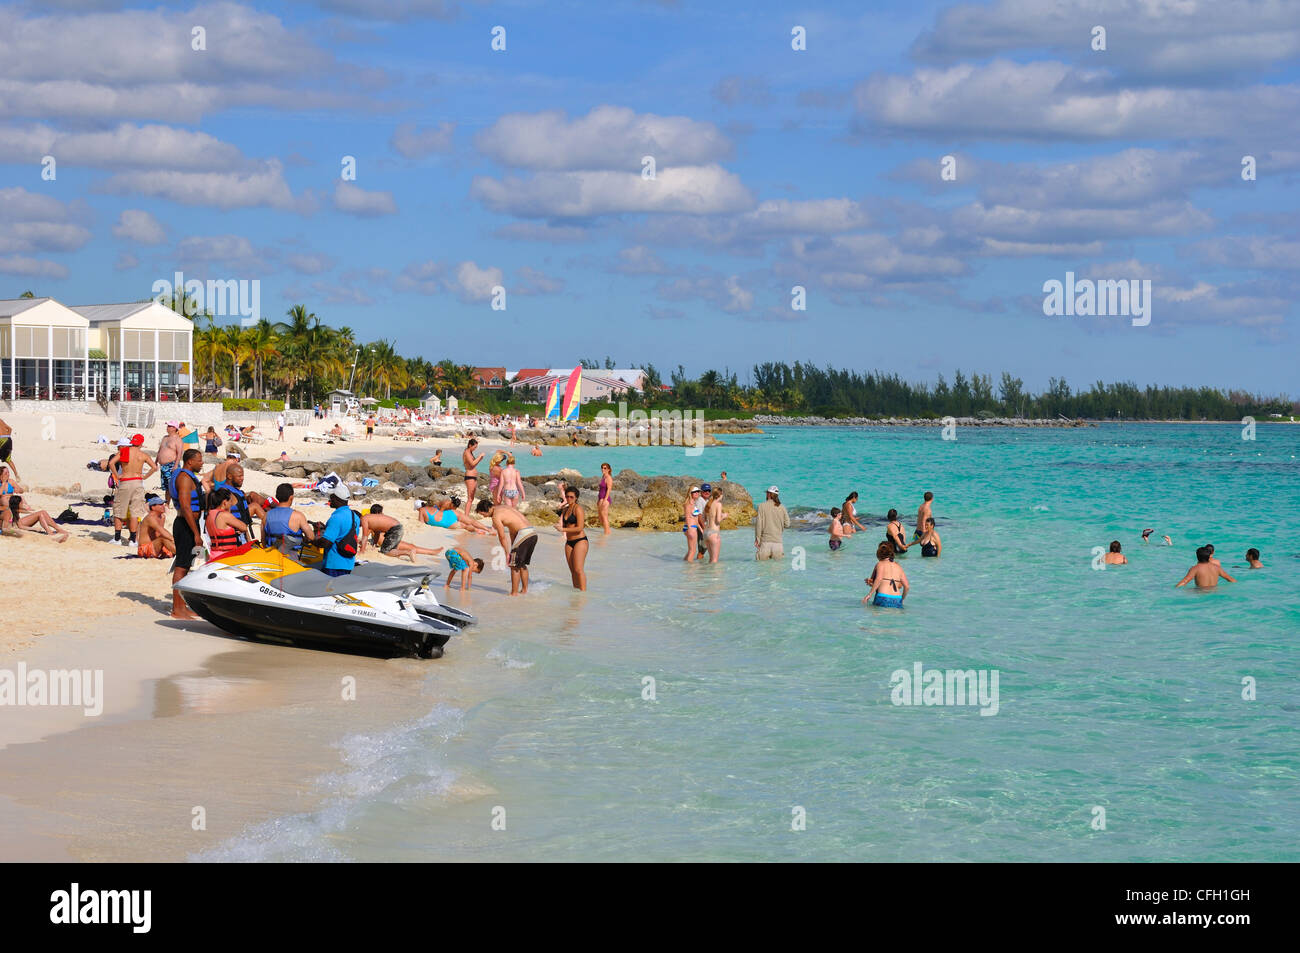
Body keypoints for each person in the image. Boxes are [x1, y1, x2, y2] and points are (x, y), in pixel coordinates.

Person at [169, 448, 205, 620]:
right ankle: (177, 609)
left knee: (187, 566)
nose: (202, 462)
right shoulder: (184, 478)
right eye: (199, 460)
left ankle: (182, 606)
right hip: (185, 525)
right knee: (181, 566)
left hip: (190, 524)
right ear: (190, 461)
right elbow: (185, 507)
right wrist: (196, 533)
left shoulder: (187, 476)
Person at [478, 499, 536, 596]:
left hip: (523, 534)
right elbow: (512, 528)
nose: (483, 516)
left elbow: (502, 536)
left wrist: (506, 553)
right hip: (532, 533)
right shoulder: (504, 507)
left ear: (487, 509)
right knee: (521, 565)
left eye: (482, 514)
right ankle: (524, 591)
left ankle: (514, 594)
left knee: (513, 565)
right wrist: (513, 547)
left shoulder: (496, 517)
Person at [108, 434, 157, 547]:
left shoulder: (124, 451)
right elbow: (154, 467)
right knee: (135, 512)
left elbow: (111, 463)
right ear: (141, 443)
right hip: (138, 482)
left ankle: (117, 538)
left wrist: (117, 475)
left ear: (132, 442)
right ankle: (133, 540)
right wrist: (145, 477)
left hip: (125, 481)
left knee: (119, 510)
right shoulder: (143, 455)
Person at [0, 466, 68, 541]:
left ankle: (57, 530)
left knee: (42, 512)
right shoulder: (2, 485)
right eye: (6, 473)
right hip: (10, 518)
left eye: (8, 472)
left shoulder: (11, 481)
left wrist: (18, 489)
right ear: (1, 475)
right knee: (37, 516)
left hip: (16, 516)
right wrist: (3, 483)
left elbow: (21, 490)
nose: (8, 474)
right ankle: (50, 534)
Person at [360, 504, 442, 562]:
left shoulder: (373, 520)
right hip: (387, 537)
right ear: (378, 513)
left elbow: (372, 535)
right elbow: (366, 536)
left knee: (410, 546)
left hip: (389, 536)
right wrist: (365, 548)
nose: (383, 514)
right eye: (381, 512)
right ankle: (431, 552)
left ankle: (431, 552)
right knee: (410, 547)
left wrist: (370, 545)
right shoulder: (374, 521)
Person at [319, 486, 361, 577]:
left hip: (333, 565)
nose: (330, 499)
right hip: (348, 564)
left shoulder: (336, 517)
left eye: (331, 496)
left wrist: (312, 541)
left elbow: (326, 542)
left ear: (336, 498)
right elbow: (345, 533)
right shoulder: (355, 516)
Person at [262, 483, 315, 554]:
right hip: (291, 557)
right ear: (291, 497)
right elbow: (311, 537)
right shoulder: (298, 516)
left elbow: (263, 540)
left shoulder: (266, 515)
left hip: (271, 555)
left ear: (276, 497)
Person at [556, 486, 589, 590]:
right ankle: (576, 594)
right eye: (567, 497)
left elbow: (580, 527)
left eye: (571, 497)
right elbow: (563, 524)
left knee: (578, 570)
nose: (569, 499)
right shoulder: (565, 509)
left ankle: (583, 594)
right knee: (572, 571)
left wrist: (563, 530)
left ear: (576, 498)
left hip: (580, 541)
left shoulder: (578, 509)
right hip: (569, 542)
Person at [205, 487, 248, 559]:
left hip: (214, 554)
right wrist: (229, 510)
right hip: (226, 555)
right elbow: (244, 527)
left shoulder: (209, 514)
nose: (231, 504)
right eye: (230, 501)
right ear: (225, 502)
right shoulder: (224, 515)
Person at [864, 540, 909, 607]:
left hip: (883, 597)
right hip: (897, 599)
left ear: (878, 555)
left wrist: (869, 594)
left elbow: (879, 579)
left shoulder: (880, 564)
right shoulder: (898, 566)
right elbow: (907, 586)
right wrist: (902, 599)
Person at [416, 498, 491, 535]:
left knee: (464, 526)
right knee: (471, 521)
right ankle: (488, 529)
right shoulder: (433, 508)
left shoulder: (422, 510)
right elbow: (440, 512)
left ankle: (477, 531)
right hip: (450, 513)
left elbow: (421, 523)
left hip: (445, 522)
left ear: (418, 508)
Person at [754, 485, 790, 561]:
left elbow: (759, 525)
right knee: (777, 572)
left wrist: (757, 539)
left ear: (769, 494)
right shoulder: (782, 507)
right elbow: (787, 524)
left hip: (765, 543)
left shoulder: (761, 506)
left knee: (761, 570)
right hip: (778, 544)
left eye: (767, 493)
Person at [156, 421, 183, 504]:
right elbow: (160, 450)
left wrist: (175, 465)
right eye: (167, 426)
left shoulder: (178, 439)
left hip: (171, 465)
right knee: (166, 487)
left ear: (175, 428)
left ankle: (176, 503)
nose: (167, 428)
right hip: (163, 466)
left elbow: (179, 453)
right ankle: (167, 503)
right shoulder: (165, 438)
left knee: (173, 486)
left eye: (169, 426)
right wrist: (156, 461)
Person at [700, 485, 727, 563]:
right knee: (714, 561)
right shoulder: (718, 504)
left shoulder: (708, 504)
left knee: (711, 559)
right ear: (720, 495)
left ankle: (708, 575)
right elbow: (718, 520)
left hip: (706, 533)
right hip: (714, 533)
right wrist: (724, 516)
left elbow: (704, 519)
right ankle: (715, 575)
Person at [462, 438, 484, 516]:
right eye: (474, 447)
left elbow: (473, 465)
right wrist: (479, 456)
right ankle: (466, 516)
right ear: (470, 445)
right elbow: (471, 464)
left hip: (473, 477)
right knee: (470, 498)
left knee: (471, 498)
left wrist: (480, 459)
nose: (475, 449)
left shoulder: (470, 452)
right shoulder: (466, 452)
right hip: (469, 477)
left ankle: (466, 515)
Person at [683, 486, 702, 562]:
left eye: (698, 491)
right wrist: (689, 529)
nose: (697, 493)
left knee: (690, 550)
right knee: (693, 551)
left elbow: (696, 519)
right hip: (691, 527)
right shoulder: (688, 504)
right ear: (691, 493)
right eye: (695, 492)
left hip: (693, 527)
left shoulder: (693, 503)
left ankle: (685, 564)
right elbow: (687, 518)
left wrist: (701, 529)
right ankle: (690, 569)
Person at [597, 462, 613, 535]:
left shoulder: (609, 478)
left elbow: (609, 489)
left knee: (604, 516)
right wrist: (599, 500)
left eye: (605, 468)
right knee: (600, 517)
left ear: (609, 469)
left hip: (605, 499)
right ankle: (607, 531)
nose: (603, 469)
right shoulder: (603, 477)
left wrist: (605, 500)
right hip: (600, 499)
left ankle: (607, 533)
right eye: (602, 468)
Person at [0, 416, 18, 480]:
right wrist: (7, 437)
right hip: (8, 439)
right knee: (8, 459)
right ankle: (17, 475)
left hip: (1, 439)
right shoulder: (0, 420)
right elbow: (10, 429)